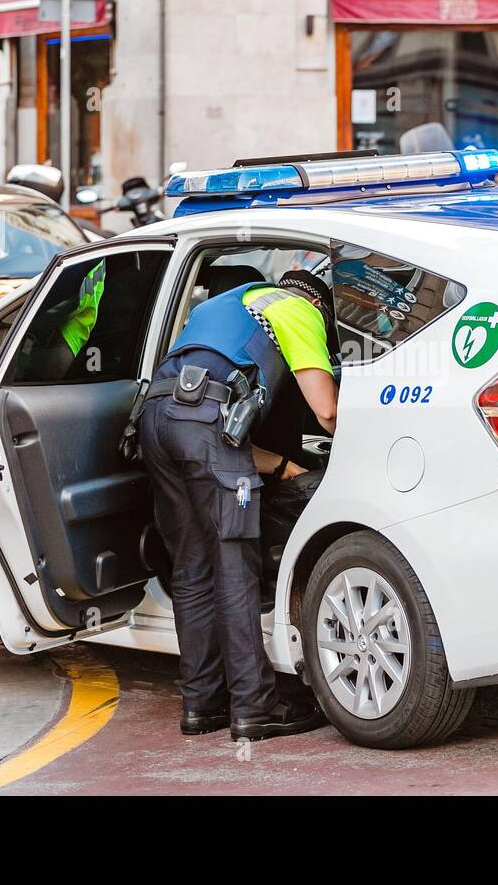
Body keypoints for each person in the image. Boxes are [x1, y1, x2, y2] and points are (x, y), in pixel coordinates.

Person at [137, 269, 337, 741]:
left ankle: (203, 705)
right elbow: (326, 410)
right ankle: (254, 708)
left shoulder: (225, 307)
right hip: (204, 423)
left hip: (156, 421)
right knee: (234, 564)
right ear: (320, 309)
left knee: (191, 566)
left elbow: (216, 432)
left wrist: (285, 465)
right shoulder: (298, 310)